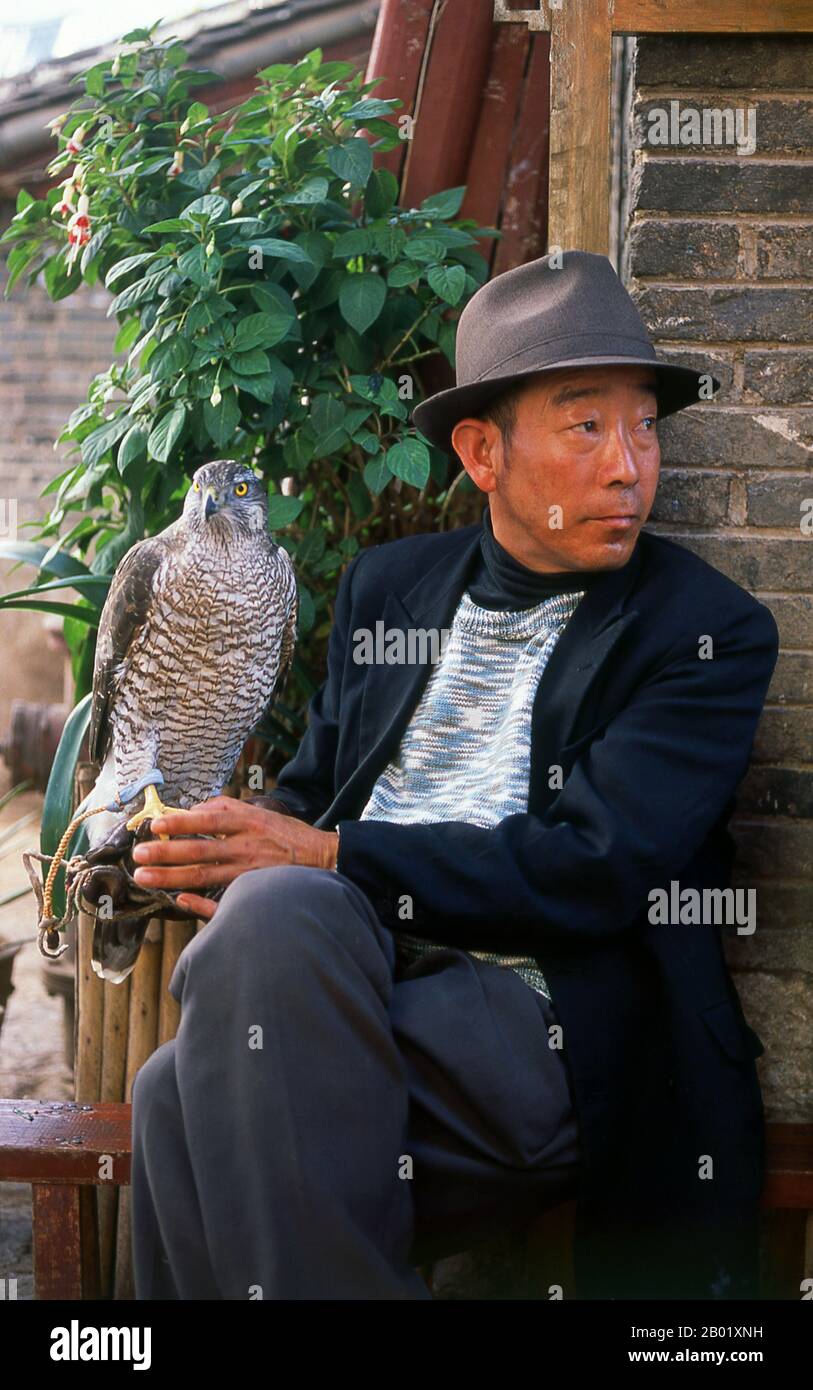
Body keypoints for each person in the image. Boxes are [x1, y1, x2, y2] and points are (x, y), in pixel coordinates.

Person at [130, 250, 778, 1301]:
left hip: (549, 1016)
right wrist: (223, 837)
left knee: (215, 1048)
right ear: (482, 452)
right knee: (177, 1088)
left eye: (644, 425)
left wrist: (323, 856)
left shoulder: (702, 633)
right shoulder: (393, 589)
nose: (629, 465)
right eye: (586, 426)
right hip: (354, 987)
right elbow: (315, 791)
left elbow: (595, 870)